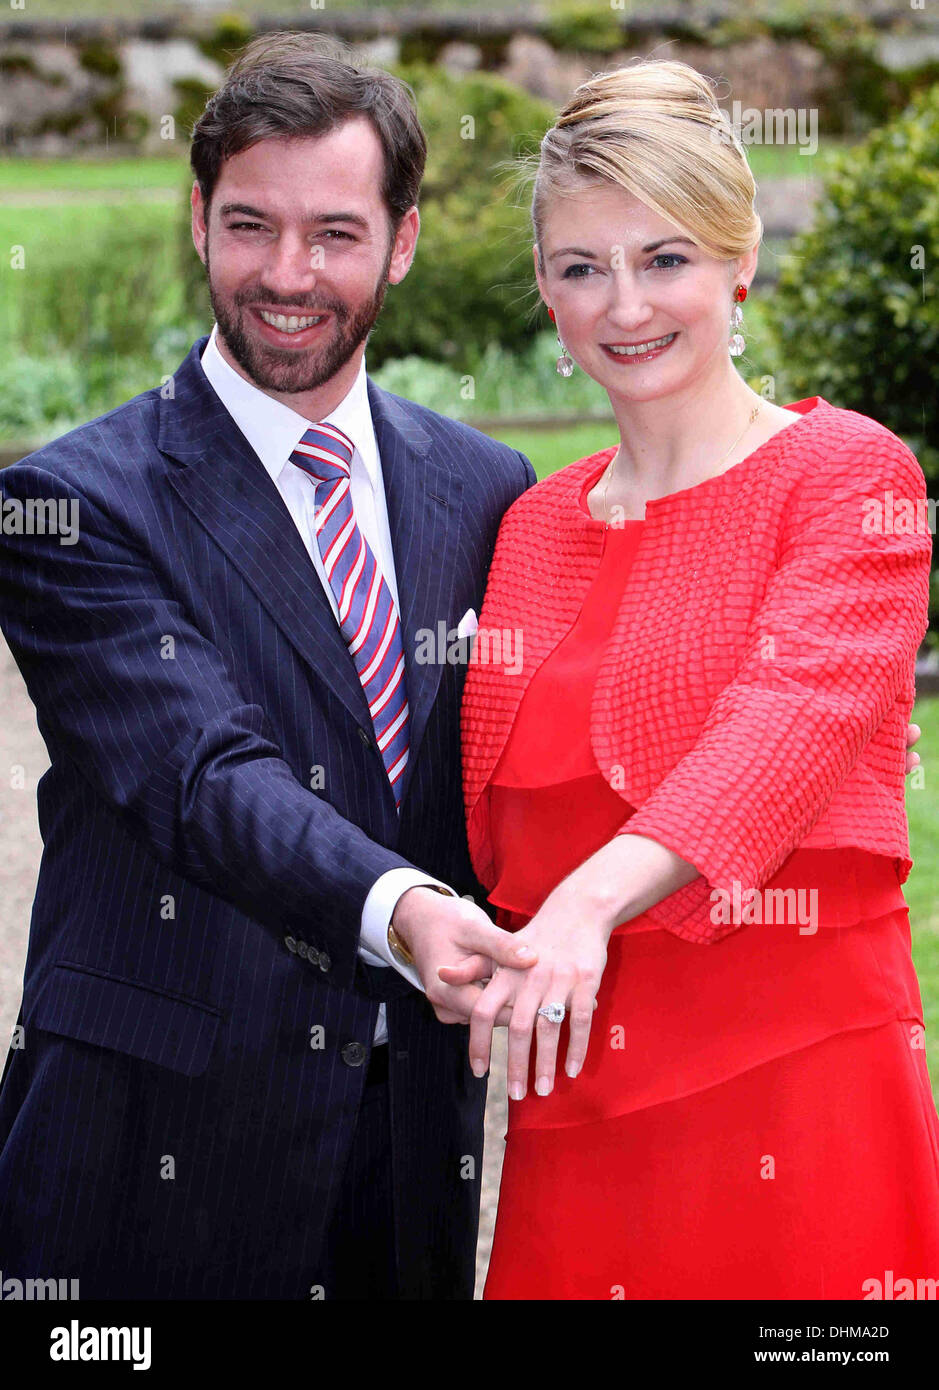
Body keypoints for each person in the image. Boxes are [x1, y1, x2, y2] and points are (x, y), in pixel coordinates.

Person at [0, 33, 540, 1301]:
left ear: (402, 242)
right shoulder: (70, 503)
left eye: (336, 234)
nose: (287, 275)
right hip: (148, 1147)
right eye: (251, 226)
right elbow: (200, 774)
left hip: (398, 1149)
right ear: (198, 220)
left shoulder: (486, 488)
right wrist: (406, 911)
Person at [456, 58, 939, 1300]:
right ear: (546, 297)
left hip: (799, 1072)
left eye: (664, 259)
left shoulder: (849, 474)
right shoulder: (528, 528)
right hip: (577, 1110)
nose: (624, 305)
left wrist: (586, 903)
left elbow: (793, 717)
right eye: (581, 268)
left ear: (740, 263)